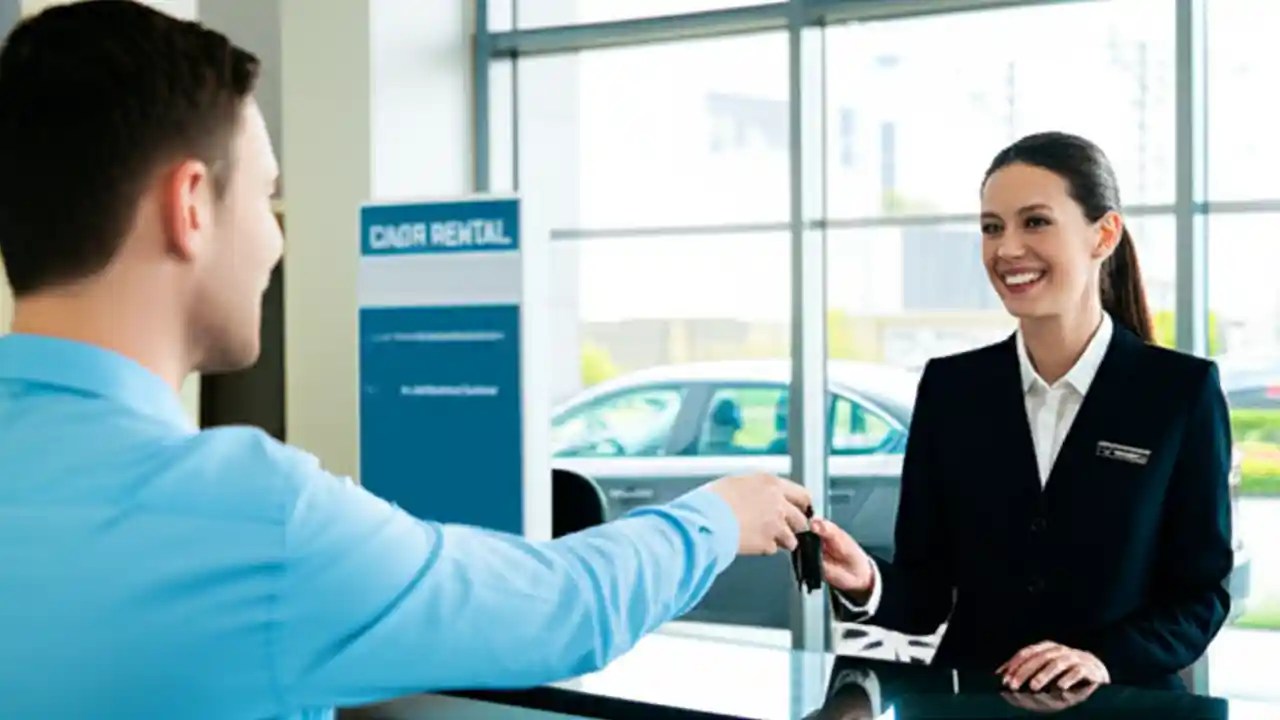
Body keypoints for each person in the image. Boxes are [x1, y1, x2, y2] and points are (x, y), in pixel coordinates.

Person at [0, 3, 813, 718]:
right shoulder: (252, 519)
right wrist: (715, 516)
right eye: (263, 194)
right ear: (190, 208)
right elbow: (566, 608)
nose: (275, 239)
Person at [812, 131, 1233, 694]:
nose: (1006, 248)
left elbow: (1200, 595)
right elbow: (926, 593)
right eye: (992, 227)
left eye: (1034, 222)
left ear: (1103, 234)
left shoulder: (1180, 392)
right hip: (975, 704)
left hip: (1124, 707)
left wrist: (1100, 659)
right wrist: (866, 581)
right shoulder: (951, 390)